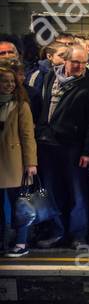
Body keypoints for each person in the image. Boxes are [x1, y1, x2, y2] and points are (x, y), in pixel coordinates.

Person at [33, 44, 89, 248]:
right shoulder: (49, 78)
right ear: (65, 60)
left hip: (73, 146)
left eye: (84, 62)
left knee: (77, 191)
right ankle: (57, 232)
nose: (80, 66)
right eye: (75, 62)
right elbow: (43, 108)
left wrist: (88, 151)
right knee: (51, 190)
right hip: (47, 144)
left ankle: (78, 235)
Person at [0, 64, 37, 257]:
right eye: (4, 81)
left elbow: (27, 136)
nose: (9, 85)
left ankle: (21, 243)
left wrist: (31, 163)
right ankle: (3, 242)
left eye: (12, 81)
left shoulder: (21, 105)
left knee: (20, 204)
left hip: (16, 162)